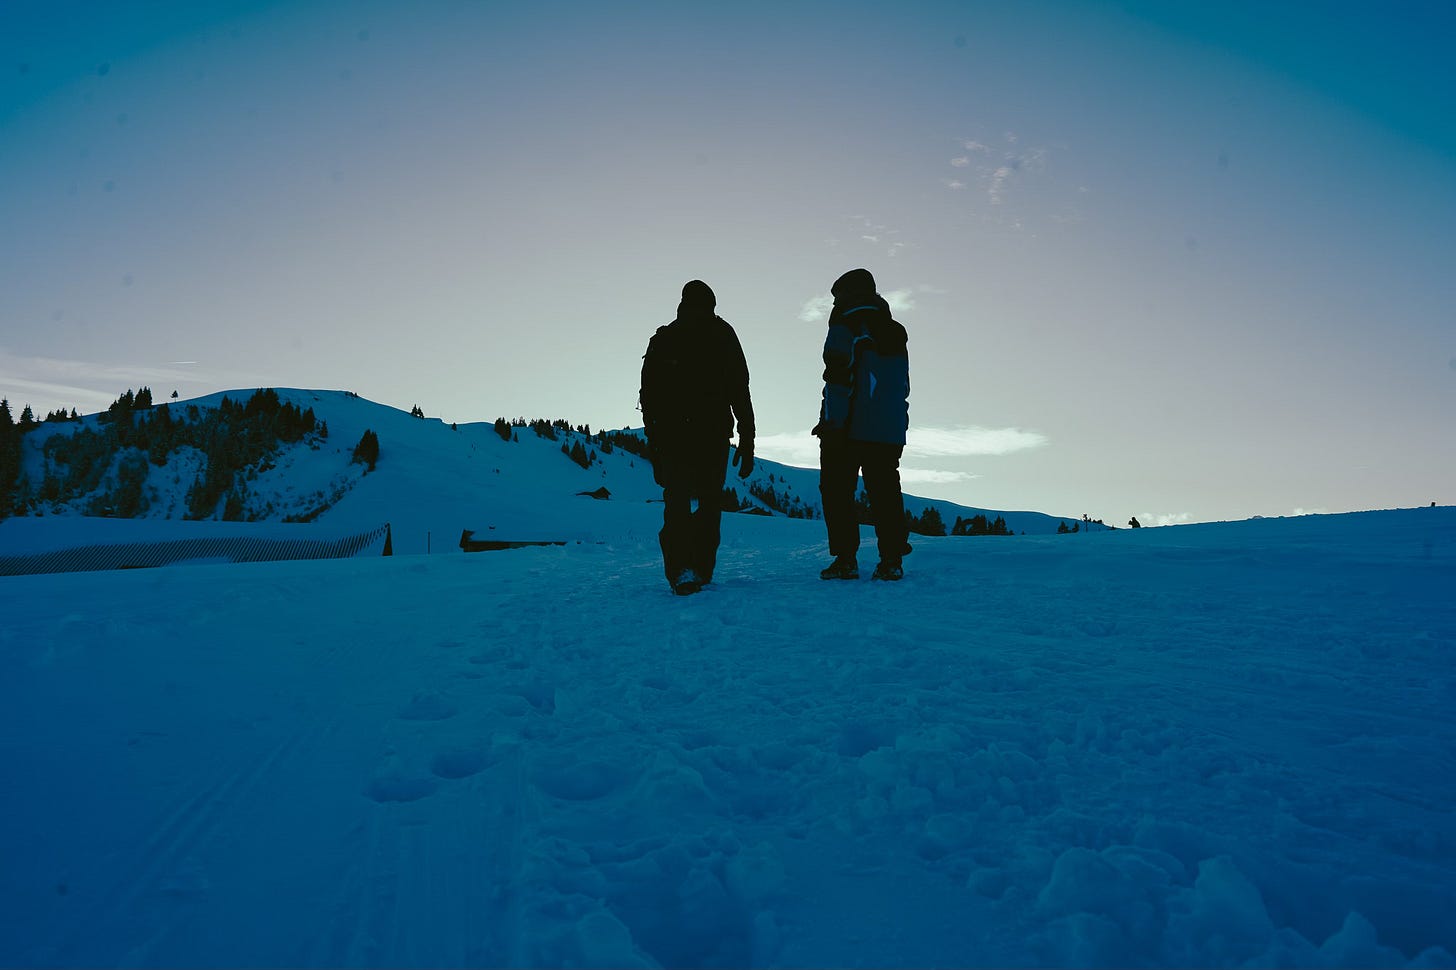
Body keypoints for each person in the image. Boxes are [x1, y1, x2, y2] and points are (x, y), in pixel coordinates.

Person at [640, 280, 755, 595]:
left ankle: (693, 570)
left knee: (693, 504)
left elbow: (738, 388)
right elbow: (649, 395)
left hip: (698, 437)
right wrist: (747, 437)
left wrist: (747, 438)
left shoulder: (706, 336)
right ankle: (689, 570)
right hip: (689, 437)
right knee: (695, 504)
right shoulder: (673, 338)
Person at [812, 268, 910, 581]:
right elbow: (900, 385)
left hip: (849, 427)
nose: (834, 302)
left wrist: (831, 422)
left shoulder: (846, 326)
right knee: (884, 491)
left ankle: (845, 559)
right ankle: (891, 559)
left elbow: (838, 378)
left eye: (836, 295)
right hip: (889, 427)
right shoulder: (893, 332)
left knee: (837, 489)